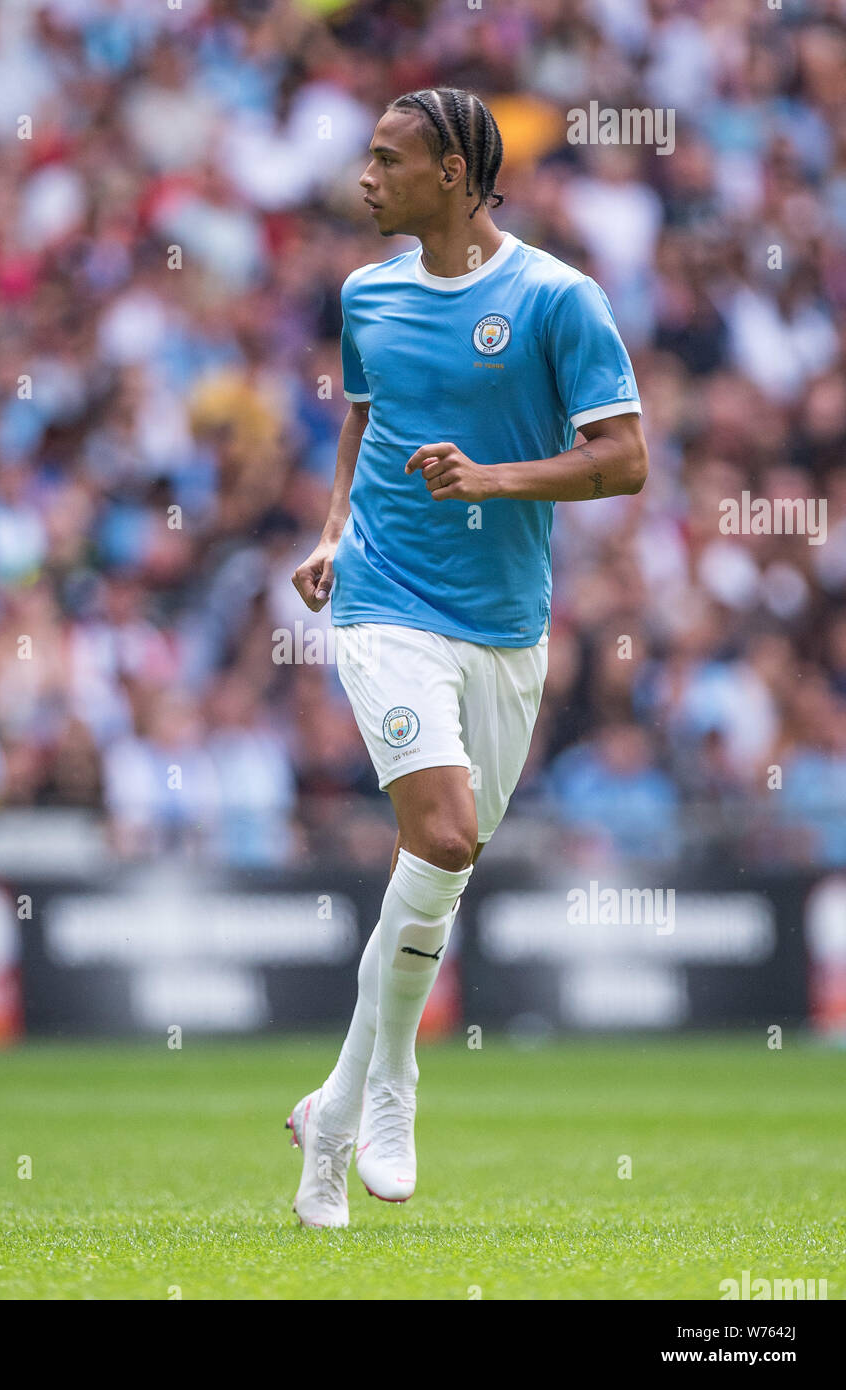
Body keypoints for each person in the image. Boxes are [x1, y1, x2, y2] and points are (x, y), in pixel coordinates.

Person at [288, 87, 648, 1227]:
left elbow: (625, 458)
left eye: (387, 159)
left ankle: (332, 1111)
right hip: (385, 601)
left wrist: (493, 478)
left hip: (504, 625)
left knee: (446, 865)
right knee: (437, 834)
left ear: (452, 172)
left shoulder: (555, 298)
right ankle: (392, 1082)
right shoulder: (365, 292)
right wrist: (336, 526)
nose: (364, 177)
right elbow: (362, 413)